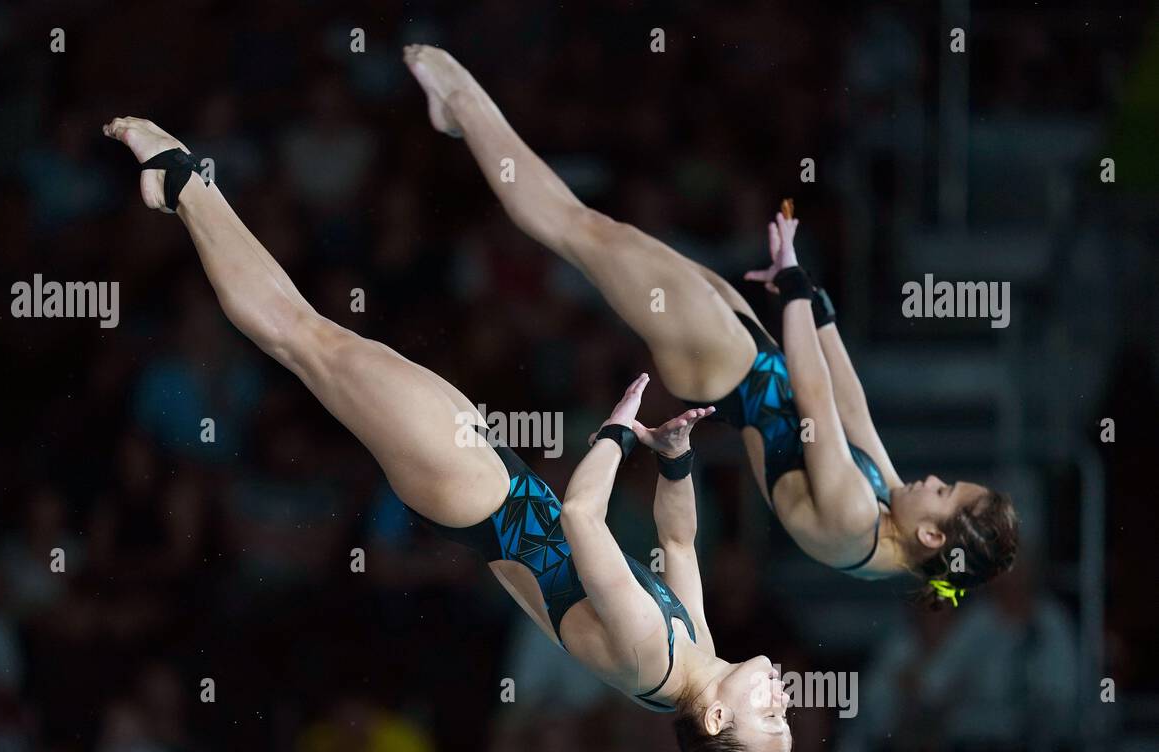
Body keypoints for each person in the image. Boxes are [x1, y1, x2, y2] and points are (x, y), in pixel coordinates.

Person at [104, 116, 792, 752]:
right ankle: (182, 187)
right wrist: (676, 461)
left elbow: (582, 517)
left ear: (717, 719)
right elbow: (678, 545)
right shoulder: (692, 656)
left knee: (306, 339)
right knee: (314, 341)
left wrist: (618, 432)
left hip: (476, 493)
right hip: (489, 483)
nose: (782, 699)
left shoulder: (655, 654)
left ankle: (180, 181)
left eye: (770, 717)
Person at [404, 45, 1018, 608]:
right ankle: (465, 114)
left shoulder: (855, 520)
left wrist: (794, 287)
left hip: (725, 365)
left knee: (580, 230)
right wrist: (818, 309)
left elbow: (817, 401)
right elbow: (852, 407)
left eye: (944, 491)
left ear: (932, 535)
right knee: (597, 232)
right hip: (748, 353)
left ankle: (462, 104)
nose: (932, 480)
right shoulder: (890, 518)